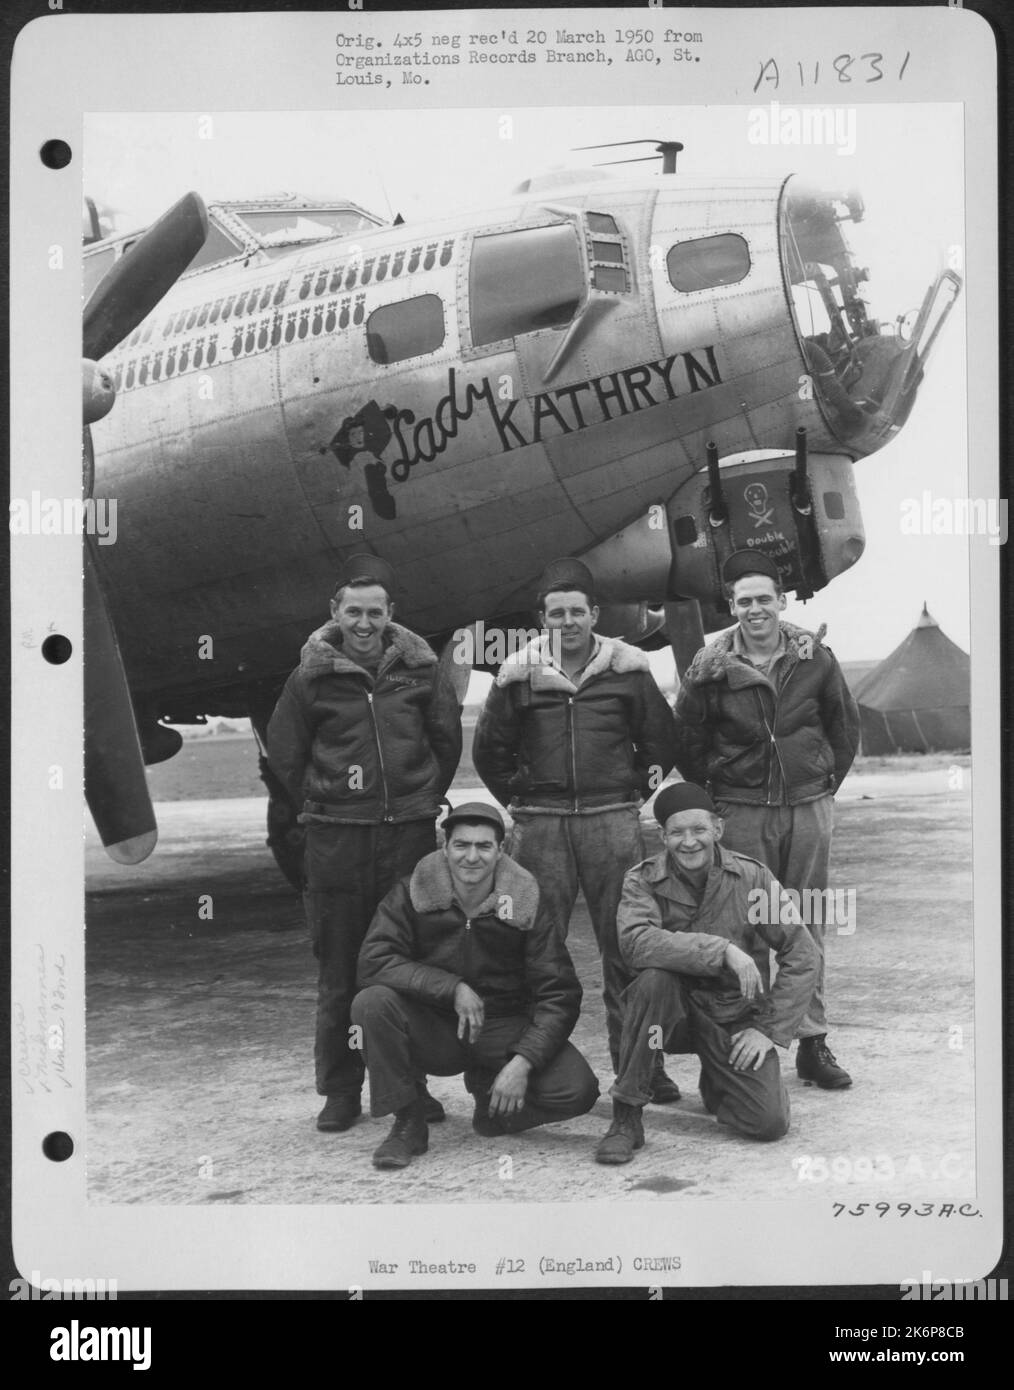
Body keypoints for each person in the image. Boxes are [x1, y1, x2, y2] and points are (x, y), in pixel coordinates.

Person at [266, 552, 462, 1132]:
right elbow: (285, 755)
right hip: (336, 844)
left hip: (407, 839)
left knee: (409, 964)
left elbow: (445, 741)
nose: (364, 623)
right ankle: (340, 1090)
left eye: (375, 612)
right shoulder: (309, 677)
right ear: (335, 612)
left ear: (390, 614)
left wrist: (417, 797)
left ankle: (410, 1089)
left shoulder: (420, 671)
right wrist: (328, 803)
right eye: (353, 611)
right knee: (340, 971)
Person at [471, 558, 680, 1100]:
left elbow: (660, 742)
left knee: (628, 945)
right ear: (543, 619)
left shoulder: (629, 671)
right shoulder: (517, 675)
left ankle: (642, 1067)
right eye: (556, 613)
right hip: (541, 828)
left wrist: (632, 794)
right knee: (536, 948)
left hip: (612, 823)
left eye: (577, 612)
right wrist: (521, 802)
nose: (567, 622)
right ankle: (530, 1066)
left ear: (595, 615)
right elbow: (489, 752)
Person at [671, 549, 860, 1089]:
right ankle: (749, 1036)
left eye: (764, 599)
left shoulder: (814, 656)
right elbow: (688, 737)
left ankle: (812, 1041)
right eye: (743, 601)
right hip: (743, 809)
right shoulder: (708, 669)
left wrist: (821, 786)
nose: (755, 609)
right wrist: (722, 792)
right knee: (746, 923)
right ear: (731, 606)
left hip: (808, 808)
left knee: (807, 922)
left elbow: (843, 729)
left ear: (780, 601)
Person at [351, 802, 600, 1169]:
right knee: (371, 1004)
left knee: (577, 1090)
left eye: (484, 846)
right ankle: (408, 1122)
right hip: (434, 1025)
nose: (472, 856)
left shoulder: (526, 898)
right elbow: (374, 962)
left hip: (502, 1025)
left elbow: (559, 992)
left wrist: (523, 1061)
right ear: (444, 847)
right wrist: (451, 988)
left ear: (501, 850)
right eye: (461, 845)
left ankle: (493, 1105)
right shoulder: (411, 892)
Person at [595, 782, 819, 1164]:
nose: (689, 842)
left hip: (730, 1017)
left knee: (767, 1123)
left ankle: (719, 1081)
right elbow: (636, 942)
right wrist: (722, 950)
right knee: (653, 981)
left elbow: (803, 952)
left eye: (698, 830)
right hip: (666, 1020)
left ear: (717, 830)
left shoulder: (752, 878)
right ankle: (626, 1115)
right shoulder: (643, 879)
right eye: (677, 832)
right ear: (662, 836)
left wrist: (769, 1029)